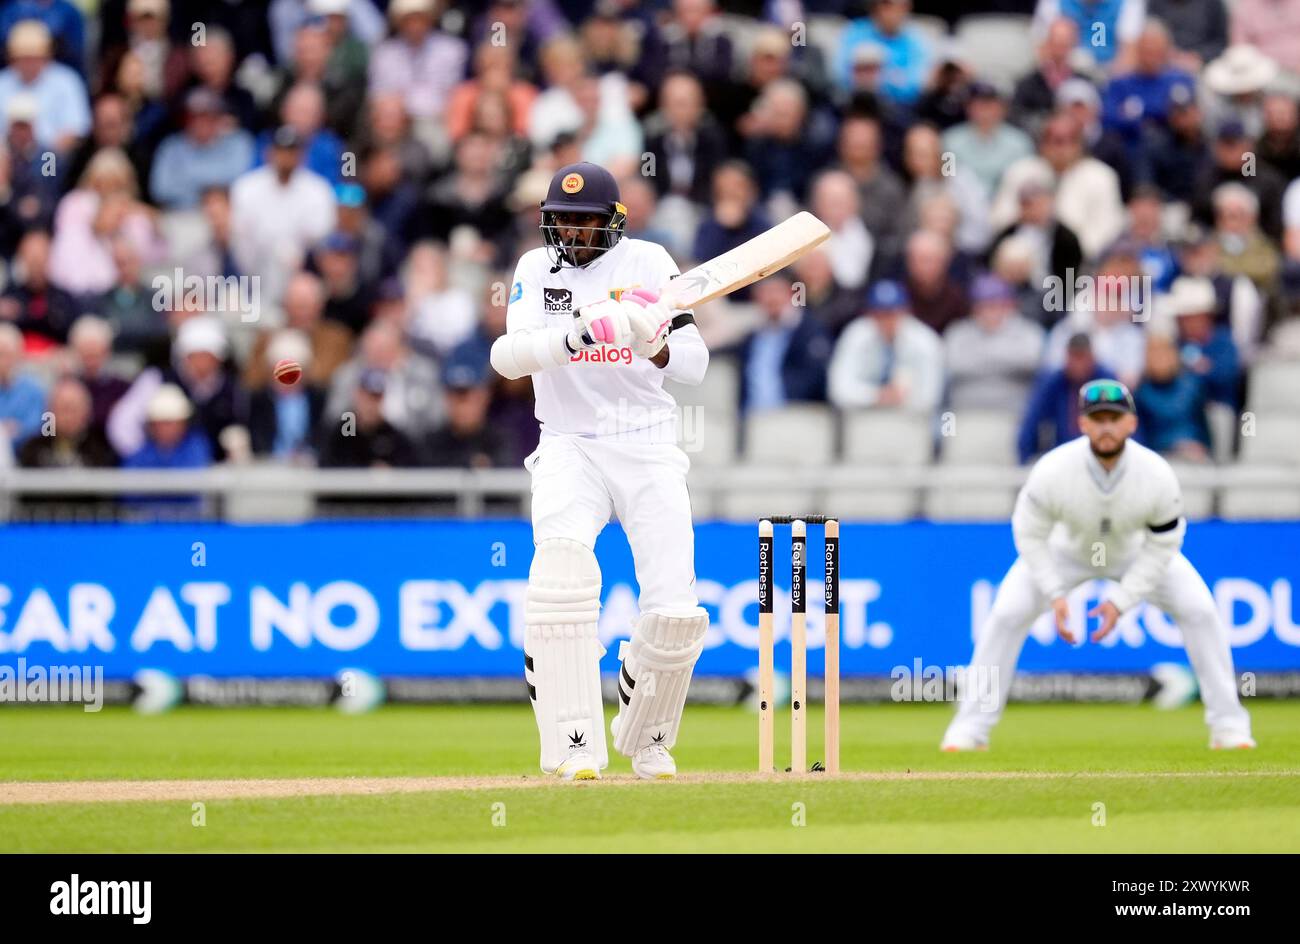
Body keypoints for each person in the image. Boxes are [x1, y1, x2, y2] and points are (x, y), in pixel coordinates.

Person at [489, 161, 710, 781]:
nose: (574, 234)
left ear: (613, 223)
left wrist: (651, 343)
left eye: (586, 223)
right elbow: (507, 357)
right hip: (567, 444)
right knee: (558, 584)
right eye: (563, 221)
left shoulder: (650, 263)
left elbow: (694, 363)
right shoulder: (535, 269)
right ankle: (575, 745)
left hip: (645, 441)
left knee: (674, 608)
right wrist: (578, 337)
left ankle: (650, 739)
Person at [942, 379, 1254, 751]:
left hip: (1133, 552)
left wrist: (1122, 600)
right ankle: (969, 730)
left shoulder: (1156, 474)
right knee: (1008, 614)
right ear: (1083, 424)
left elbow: (1164, 543)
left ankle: (1230, 728)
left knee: (1200, 610)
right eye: (1097, 418)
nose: (1106, 426)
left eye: (1114, 418)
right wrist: (1055, 593)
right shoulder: (1053, 470)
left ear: (1131, 424)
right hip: (1065, 553)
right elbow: (1029, 533)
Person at [828, 279, 944, 415]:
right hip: (862, 421)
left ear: (905, 311)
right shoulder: (856, 335)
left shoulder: (924, 341)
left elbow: (931, 397)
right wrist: (878, 396)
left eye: (891, 313)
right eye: (880, 314)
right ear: (869, 313)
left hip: (911, 422)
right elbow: (838, 390)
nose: (886, 321)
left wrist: (900, 399)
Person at [944, 274, 1046, 413]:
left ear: (1010, 305)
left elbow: (1031, 361)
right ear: (974, 307)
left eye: (996, 305)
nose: (990, 312)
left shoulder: (1029, 331)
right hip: (966, 413)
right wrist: (1006, 360)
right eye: (984, 306)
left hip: (1014, 415)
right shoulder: (958, 332)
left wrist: (980, 355)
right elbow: (954, 364)